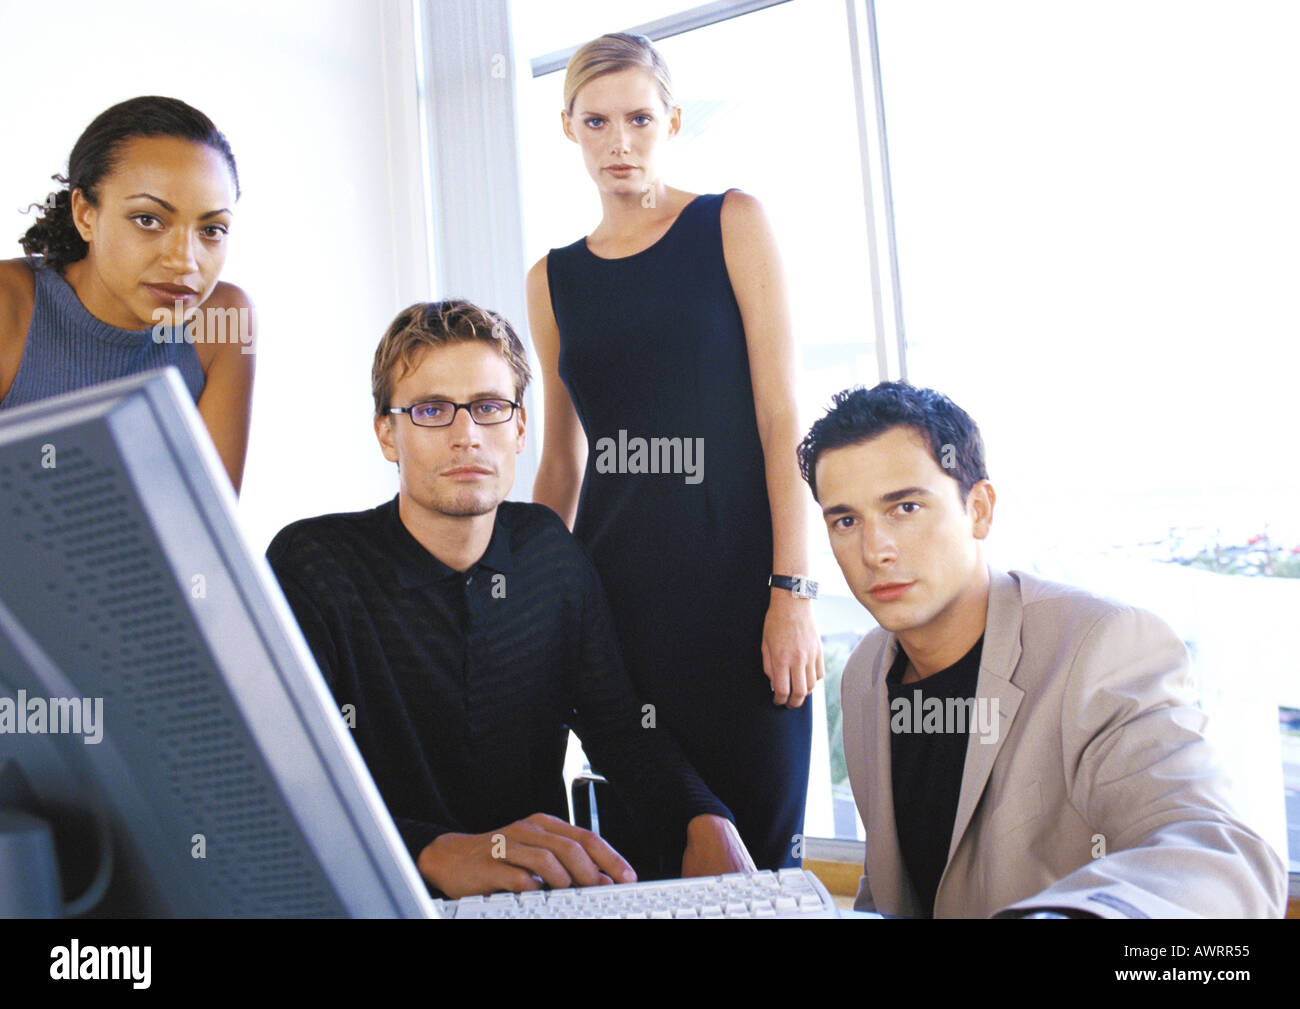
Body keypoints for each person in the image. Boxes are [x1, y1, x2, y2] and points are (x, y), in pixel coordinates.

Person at [266, 300, 753, 899]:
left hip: (538, 901)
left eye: (490, 408)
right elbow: (278, 782)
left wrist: (702, 816)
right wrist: (434, 852)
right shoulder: (313, 564)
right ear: (386, 434)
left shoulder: (548, 553)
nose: (466, 435)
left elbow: (620, 728)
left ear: (520, 428)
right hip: (367, 897)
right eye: (431, 410)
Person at [798, 382, 1287, 917]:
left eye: (906, 507)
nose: (875, 551)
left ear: (980, 510)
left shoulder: (1103, 645)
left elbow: (1216, 850)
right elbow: (898, 887)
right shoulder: (868, 668)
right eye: (846, 521)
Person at [527, 31, 820, 876]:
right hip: (617, 613)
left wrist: (793, 591)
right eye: (597, 122)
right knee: (650, 863)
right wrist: (534, 609)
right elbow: (561, 464)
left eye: (639, 119)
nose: (619, 142)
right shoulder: (552, 279)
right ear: (569, 129)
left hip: (744, 597)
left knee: (758, 865)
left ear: (673, 121)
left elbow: (782, 420)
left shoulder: (730, 221)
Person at [0, 96, 255, 492]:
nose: (184, 261)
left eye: (211, 230)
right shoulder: (9, 304)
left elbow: (204, 524)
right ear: (85, 214)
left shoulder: (222, 322)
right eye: (148, 220)